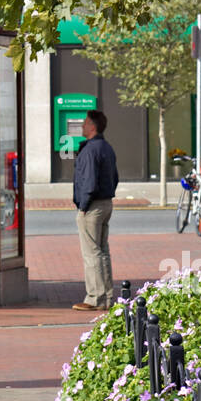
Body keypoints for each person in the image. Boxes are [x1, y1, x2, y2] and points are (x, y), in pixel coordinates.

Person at [72, 109, 119, 313]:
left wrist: (83, 205)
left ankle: (95, 297)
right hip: (106, 203)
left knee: (91, 254)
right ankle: (106, 296)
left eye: (84, 123)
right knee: (102, 252)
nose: (82, 126)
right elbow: (115, 177)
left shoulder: (91, 150)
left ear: (92, 126)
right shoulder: (106, 147)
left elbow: (89, 181)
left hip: (92, 206)